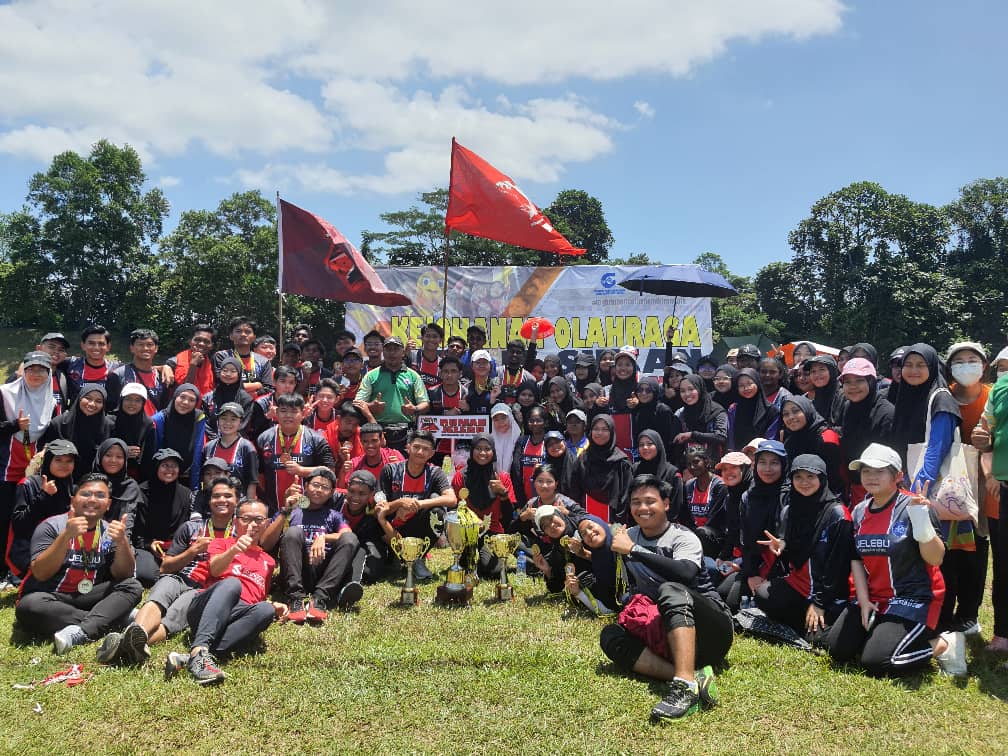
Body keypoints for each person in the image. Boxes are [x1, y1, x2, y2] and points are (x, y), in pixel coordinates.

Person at [599, 475, 732, 722]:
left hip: (712, 632)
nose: (642, 508)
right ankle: (692, 678)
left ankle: (683, 688)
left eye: (650, 501)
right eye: (636, 502)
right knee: (610, 635)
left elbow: (685, 572)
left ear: (666, 504)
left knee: (671, 589)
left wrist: (635, 551)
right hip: (670, 635)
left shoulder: (683, 536)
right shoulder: (629, 536)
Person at [826, 443, 964, 677]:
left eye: (879, 471)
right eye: (866, 471)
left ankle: (943, 645)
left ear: (898, 476)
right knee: (837, 650)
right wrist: (863, 599)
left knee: (877, 662)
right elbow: (856, 560)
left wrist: (920, 520)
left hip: (914, 599)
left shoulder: (916, 505)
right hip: (876, 598)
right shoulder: (859, 511)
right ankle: (879, 636)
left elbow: (936, 558)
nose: (871, 476)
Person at [95, 477, 242, 667]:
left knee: (172, 619)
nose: (222, 500)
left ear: (237, 500)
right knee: (157, 600)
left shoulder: (241, 532)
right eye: (216, 496)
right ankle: (135, 636)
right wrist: (192, 551)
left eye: (228, 496)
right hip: (178, 577)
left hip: (204, 590)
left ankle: (124, 646)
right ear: (209, 500)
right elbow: (165, 567)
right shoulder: (192, 528)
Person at [164, 498, 289, 685]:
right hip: (207, 607)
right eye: (246, 518)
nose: (252, 524)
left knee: (265, 610)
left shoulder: (268, 561)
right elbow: (215, 570)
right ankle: (200, 648)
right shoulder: (221, 543)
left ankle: (195, 658)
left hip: (236, 614)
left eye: (259, 519)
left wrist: (272, 605)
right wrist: (234, 550)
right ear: (236, 520)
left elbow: (256, 597)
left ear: (267, 523)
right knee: (232, 584)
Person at [15, 473, 141, 653]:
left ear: (108, 504)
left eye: (100, 495)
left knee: (132, 586)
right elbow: (41, 573)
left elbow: (124, 575)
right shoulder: (51, 526)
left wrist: (122, 543)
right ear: (73, 500)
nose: (92, 500)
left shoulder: (110, 531)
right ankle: (114, 619)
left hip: (90, 595)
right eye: (86, 494)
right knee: (29, 607)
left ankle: (82, 631)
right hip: (53, 596)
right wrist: (66, 536)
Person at [753, 454, 852, 638]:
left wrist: (820, 603)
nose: (804, 482)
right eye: (798, 477)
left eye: (810, 477)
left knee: (822, 641)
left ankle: (818, 621)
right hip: (800, 587)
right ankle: (808, 622)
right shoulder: (792, 509)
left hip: (830, 594)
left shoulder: (838, 515)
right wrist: (783, 545)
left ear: (822, 479)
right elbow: (796, 549)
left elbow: (838, 568)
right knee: (762, 594)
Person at [937, 342, 991, 636]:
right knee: (946, 548)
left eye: (973, 360)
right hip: (945, 483)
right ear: (950, 368)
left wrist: (990, 441)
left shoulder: (994, 396)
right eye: (959, 361)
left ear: (984, 365)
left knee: (976, 546)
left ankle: (969, 612)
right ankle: (944, 609)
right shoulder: (942, 395)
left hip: (981, 486)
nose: (967, 365)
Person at [278, 467, 363, 622]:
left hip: (324, 572)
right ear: (306, 486)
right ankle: (295, 599)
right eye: (315, 485)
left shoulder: (334, 515)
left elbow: (348, 535)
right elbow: (265, 542)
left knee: (350, 539)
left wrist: (323, 537)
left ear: (331, 493)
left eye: (325, 487)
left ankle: (320, 599)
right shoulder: (293, 511)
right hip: (297, 570)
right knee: (293, 532)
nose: (319, 490)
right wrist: (285, 510)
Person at [1, 351, 60, 567]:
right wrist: (14, 426)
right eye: (31, 369)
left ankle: (19, 562)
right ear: (23, 372)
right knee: (3, 517)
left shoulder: (51, 402)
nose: (36, 374)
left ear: (49, 373)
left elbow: (52, 435)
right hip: (5, 468)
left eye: (42, 370)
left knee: (24, 519)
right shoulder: (5, 394)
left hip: (32, 472)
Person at [377, 430, 457, 580]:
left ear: (432, 453)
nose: (420, 452)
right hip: (393, 526)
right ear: (408, 447)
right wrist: (400, 503)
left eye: (426, 449)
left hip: (419, 526)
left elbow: (452, 499)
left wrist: (418, 504)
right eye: (416, 447)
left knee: (438, 511)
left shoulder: (434, 472)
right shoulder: (390, 470)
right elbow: (381, 505)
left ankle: (418, 558)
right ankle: (396, 554)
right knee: (377, 518)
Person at [724, 440, 788, 612]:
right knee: (727, 598)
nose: (767, 469)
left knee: (763, 599)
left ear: (783, 465)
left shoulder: (790, 496)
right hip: (756, 564)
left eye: (774, 463)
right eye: (762, 462)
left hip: (783, 567)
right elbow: (745, 539)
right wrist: (751, 574)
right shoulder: (749, 496)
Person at [973, 356, 1008, 653]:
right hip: (1002, 492)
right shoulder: (998, 393)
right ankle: (1002, 634)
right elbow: (984, 439)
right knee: (1004, 567)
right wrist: (989, 472)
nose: (1005, 371)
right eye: (1001, 366)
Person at [8, 440, 78, 580]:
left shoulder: (74, 488)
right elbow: (19, 525)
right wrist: (43, 496)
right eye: (58, 460)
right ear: (48, 461)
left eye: (69, 461)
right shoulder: (28, 484)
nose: (64, 465)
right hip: (31, 551)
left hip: (63, 548)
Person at [256, 393, 336, 514]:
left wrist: (301, 470)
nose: (288, 415)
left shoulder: (316, 439)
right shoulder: (264, 438)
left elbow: (330, 472)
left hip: (307, 510)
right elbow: (259, 475)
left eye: (294, 411)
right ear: (276, 413)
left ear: (303, 414)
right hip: (273, 508)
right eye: (283, 411)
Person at [451, 434, 516, 578]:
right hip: (466, 530)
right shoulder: (460, 476)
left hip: (491, 530)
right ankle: (466, 555)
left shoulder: (502, 477)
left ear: (493, 452)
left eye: (487, 449)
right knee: (463, 565)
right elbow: (454, 510)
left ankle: (486, 561)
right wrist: (472, 521)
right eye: (478, 448)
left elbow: (508, 517)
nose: (482, 453)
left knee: (490, 571)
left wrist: (503, 493)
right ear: (472, 450)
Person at [356, 336, 430, 452]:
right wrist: (371, 406)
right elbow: (357, 402)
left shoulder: (413, 375)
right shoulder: (371, 375)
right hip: (378, 430)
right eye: (388, 349)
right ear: (383, 352)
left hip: (406, 431)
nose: (392, 353)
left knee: (404, 467)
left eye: (396, 349)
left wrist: (414, 409)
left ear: (403, 352)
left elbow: (425, 403)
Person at [837, 358, 894, 506]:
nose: (853, 386)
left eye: (859, 380)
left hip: (879, 488)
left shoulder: (886, 413)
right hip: (854, 486)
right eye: (847, 382)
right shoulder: (847, 407)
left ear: (871, 381)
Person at [133, 447, 191, 587]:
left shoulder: (185, 494)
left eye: (174, 466)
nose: (169, 470)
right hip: (147, 546)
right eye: (165, 465)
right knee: (147, 576)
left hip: (175, 547)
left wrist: (174, 549)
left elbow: (185, 527)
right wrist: (149, 544)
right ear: (156, 467)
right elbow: (137, 530)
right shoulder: (142, 491)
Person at [40, 383, 113, 481]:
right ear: (79, 398)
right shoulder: (59, 423)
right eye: (88, 398)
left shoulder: (108, 426)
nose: (92, 404)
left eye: (98, 401)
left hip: (94, 482)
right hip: (61, 480)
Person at [570, 415, 633, 523]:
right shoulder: (582, 460)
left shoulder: (622, 463)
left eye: (605, 429)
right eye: (596, 429)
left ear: (612, 432)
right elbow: (575, 491)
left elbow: (626, 497)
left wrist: (617, 523)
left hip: (614, 522)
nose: (599, 433)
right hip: (586, 521)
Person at [780, 396, 845, 496]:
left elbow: (835, 478)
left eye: (796, 411)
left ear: (807, 410)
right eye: (786, 414)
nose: (791, 417)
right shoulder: (790, 441)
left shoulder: (826, 438)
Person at [337, 470, 390, 585]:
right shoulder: (336, 498)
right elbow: (307, 499)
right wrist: (297, 500)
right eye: (351, 491)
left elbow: (394, 542)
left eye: (362, 494)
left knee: (371, 571)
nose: (355, 497)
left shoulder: (375, 510)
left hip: (363, 547)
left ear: (372, 494)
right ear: (347, 488)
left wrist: (382, 519)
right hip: (337, 544)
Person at [152, 384, 208, 492]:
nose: (185, 402)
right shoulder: (160, 419)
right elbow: (155, 451)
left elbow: (197, 452)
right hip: (162, 475)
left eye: (191, 400)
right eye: (182, 397)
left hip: (187, 478)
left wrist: (195, 487)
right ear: (175, 397)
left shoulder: (199, 418)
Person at [201, 402, 259, 501]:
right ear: (218, 420)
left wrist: (248, 506)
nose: (228, 423)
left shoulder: (247, 447)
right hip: (213, 502)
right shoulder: (209, 447)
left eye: (233, 419)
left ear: (240, 422)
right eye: (223, 418)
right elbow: (203, 480)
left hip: (238, 503)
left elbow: (252, 482)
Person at [678, 449, 729, 559]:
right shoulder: (689, 485)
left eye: (696, 462)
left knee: (702, 532)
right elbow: (686, 517)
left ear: (706, 462)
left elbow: (714, 520)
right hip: (695, 534)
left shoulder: (720, 485)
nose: (692, 467)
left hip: (713, 535)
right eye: (688, 464)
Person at [673, 374, 728, 468]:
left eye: (691, 389)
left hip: (714, 467)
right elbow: (677, 444)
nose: (687, 394)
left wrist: (692, 435)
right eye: (682, 391)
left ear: (700, 389)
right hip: (690, 468)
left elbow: (721, 437)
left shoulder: (716, 411)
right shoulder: (680, 414)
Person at [92, 438, 144, 538]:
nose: (113, 460)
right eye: (108, 455)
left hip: (117, 540)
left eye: (119, 456)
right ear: (100, 456)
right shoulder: (89, 483)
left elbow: (127, 522)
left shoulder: (130, 487)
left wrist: (122, 545)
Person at [212, 316, 274, 398]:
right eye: (238, 331)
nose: (243, 334)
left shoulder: (263, 361)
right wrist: (257, 384)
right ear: (231, 336)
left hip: (255, 406)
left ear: (254, 337)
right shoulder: (222, 356)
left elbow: (268, 388)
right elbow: (223, 383)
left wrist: (247, 397)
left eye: (248, 332)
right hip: (228, 405)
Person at [110, 328, 168, 415]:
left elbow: (164, 407)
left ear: (156, 348)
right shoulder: (118, 374)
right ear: (132, 348)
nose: (145, 348)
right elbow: (111, 408)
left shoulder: (162, 376)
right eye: (140, 344)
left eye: (149, 344)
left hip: (153, 427)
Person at [629, 430, 683, 521]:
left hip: (665, 526)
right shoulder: (634, 470)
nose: (645, 447)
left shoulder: (672, 473)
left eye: (650, 444)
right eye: (641, 445)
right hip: (638, 524)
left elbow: (677, 506)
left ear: (658, 445)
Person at [64, 325, 122, 403]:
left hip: (107, 415)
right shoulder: (70, 364)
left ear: (108, 347)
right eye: (91, 343)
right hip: (76, 414)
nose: (96, 347)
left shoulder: (117, 369)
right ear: (83, 345)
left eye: (101, 344)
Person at [200, 357, 254, 440]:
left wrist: (228, 439)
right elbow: (206, 422)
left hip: (236, 442)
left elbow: (244, 424)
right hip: (212, 442)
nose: (228, 374)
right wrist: (216, 440)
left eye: (233, 371)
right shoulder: (209, 397)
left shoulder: (246, 399)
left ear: (239, 374)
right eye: (224, 370)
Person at [726, 368, 779, 453]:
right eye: (741, 385)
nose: (746, 388)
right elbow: (731, 437)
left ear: (757, 383)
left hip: (762, 456)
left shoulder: (771, 410)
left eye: (750, 383)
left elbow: (771, 438)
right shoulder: (733, 409)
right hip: (738, 458)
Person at [112, 383, 157, 480]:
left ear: (143, 403)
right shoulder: (110, 421)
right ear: (122, 400)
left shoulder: (148, 424)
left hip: (137, 476)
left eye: (137, 400)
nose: (132, 403)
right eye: (128, 399)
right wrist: (121, 452)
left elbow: (148, 457)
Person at [340, 422, 404, 488]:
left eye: (374, 441)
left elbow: (405, 484)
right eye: (365, 441)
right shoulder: (354, 463)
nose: (370, 445)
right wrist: (343, 472)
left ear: (381, 440)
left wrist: (397, 470)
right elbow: (341, 489)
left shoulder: (394, 456)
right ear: (361, 442)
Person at [510, 405, 549, 510]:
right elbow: (516, 470)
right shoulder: (522, 441)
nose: (535, 423)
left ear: (545, 422)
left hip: (547, 497)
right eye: (531, 420)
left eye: (538, 420)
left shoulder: (550, 442)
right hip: (525, 497)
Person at [169, 324, 217, 398]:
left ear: (211, 346)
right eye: (197, 340)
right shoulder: (173, 362)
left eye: (206, 341)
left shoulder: (213, 365)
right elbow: (185, 390)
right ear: (190, 341)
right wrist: (193, 364)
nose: (201, 344)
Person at [804, 355, 843, 428]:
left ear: (832, 371)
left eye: (822, 369)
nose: (817, 375)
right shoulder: (816, 398)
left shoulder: (843, 397)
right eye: (813, 371)